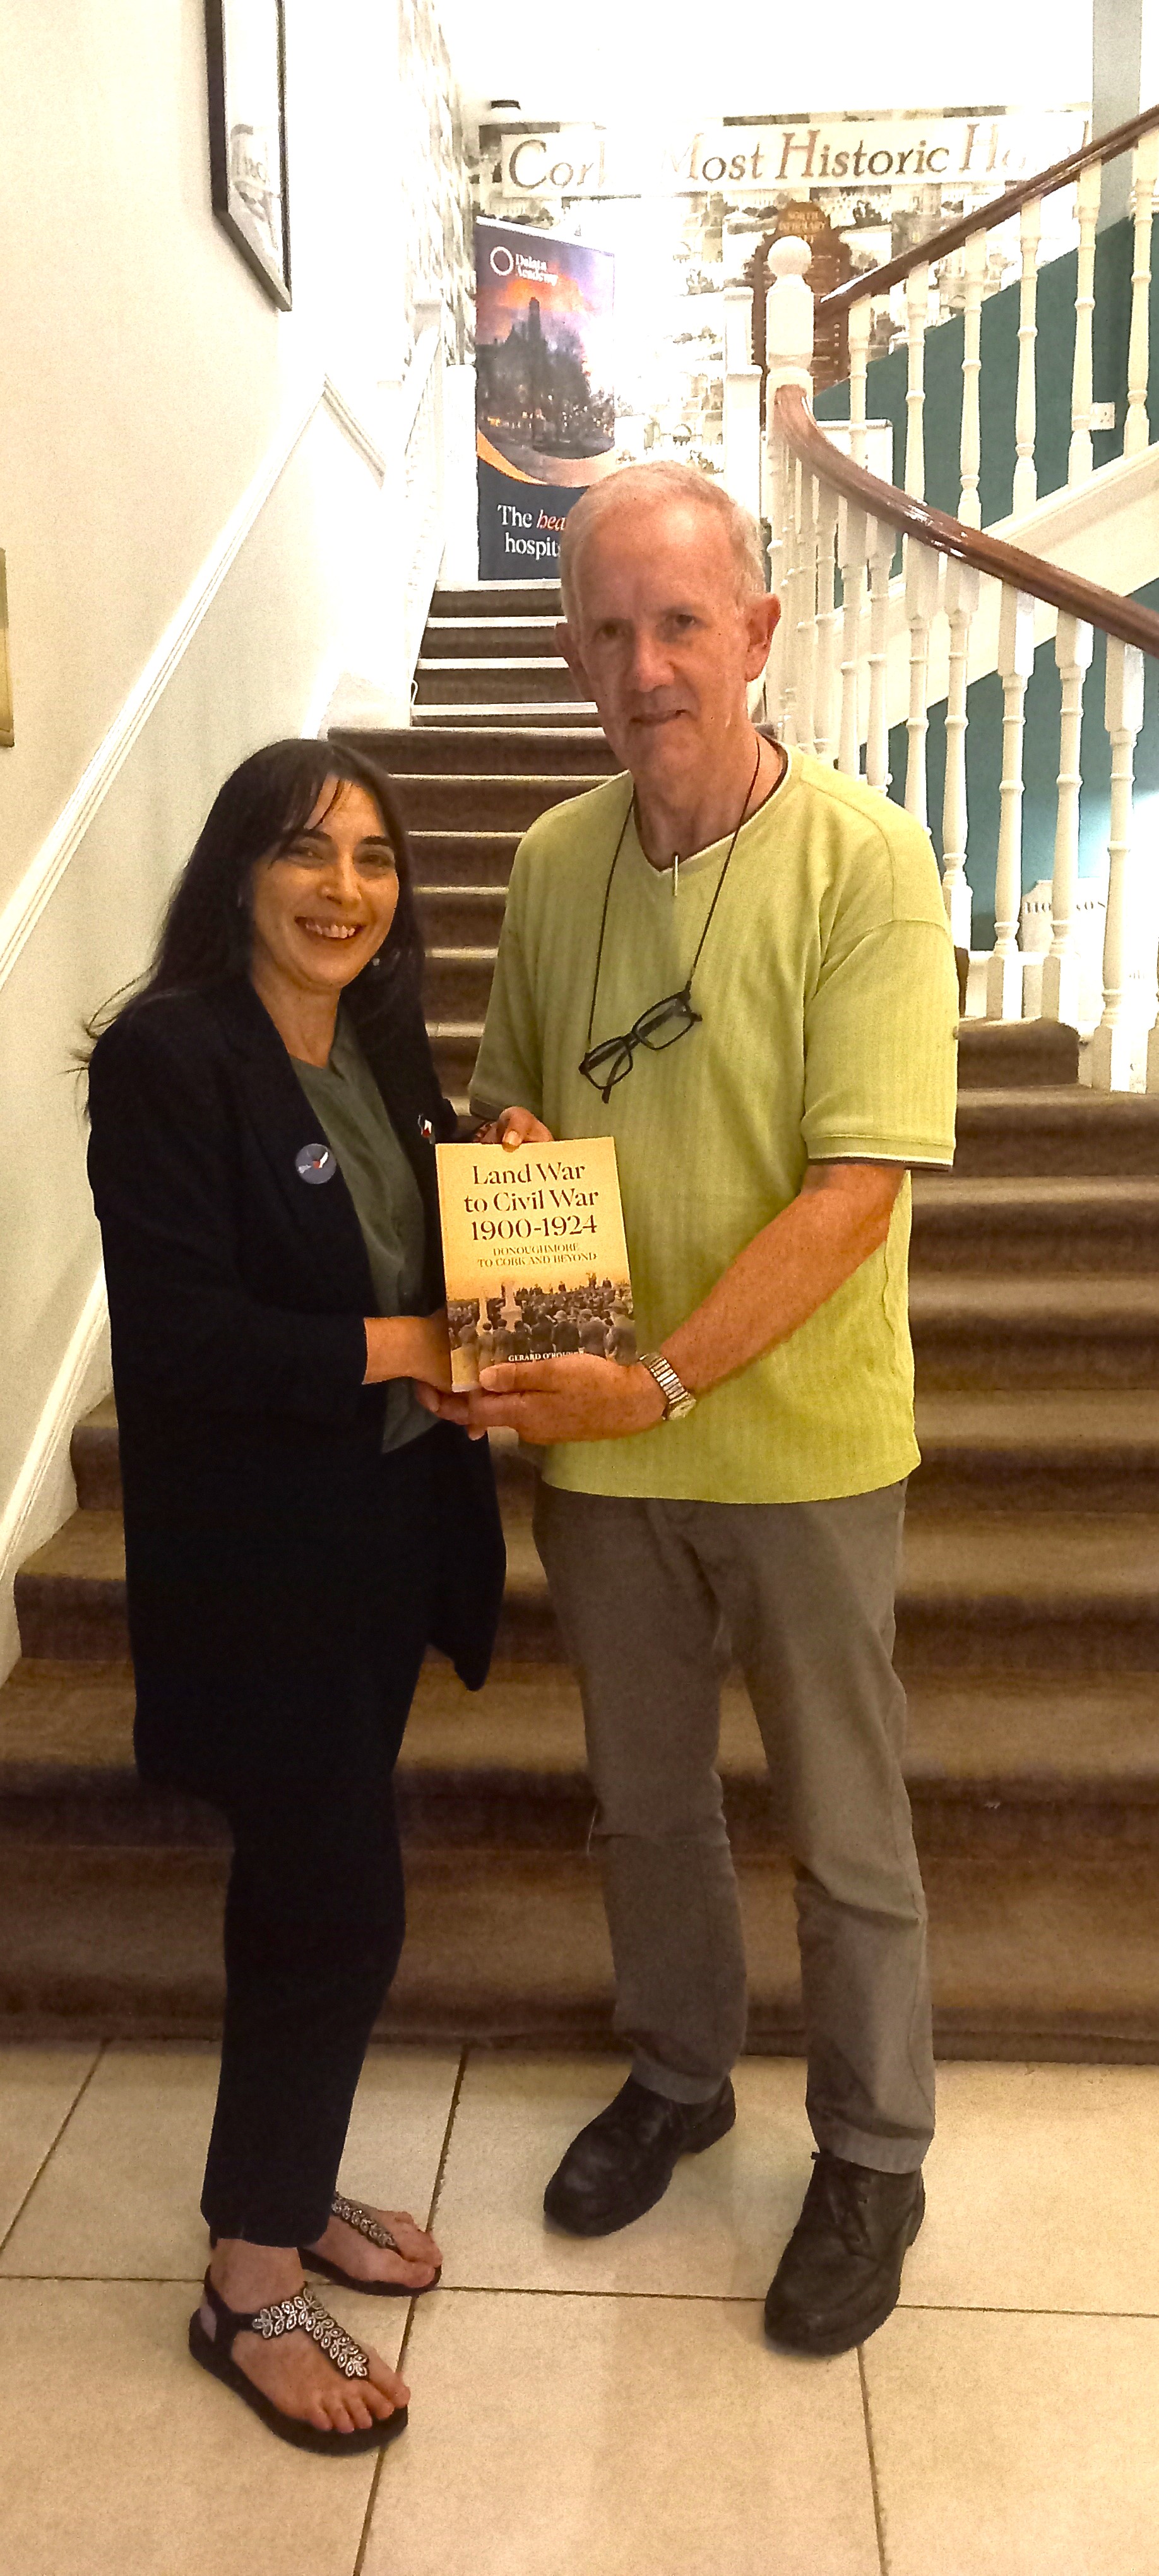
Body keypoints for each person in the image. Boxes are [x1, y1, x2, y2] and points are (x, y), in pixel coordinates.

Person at [436, 459, 959, 2358]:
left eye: (681, 621)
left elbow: (856, 1186)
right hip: (599, 1447)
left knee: (844, 1824)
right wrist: (512, 1174)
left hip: (798, 1448)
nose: (646, 662)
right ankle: (676, 2075)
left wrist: (659, 1374)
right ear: (574, 654)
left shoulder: (865, 859)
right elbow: (507, 1092)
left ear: (752, 632)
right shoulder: (555, 860)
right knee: (642, 1808)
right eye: (608, 626)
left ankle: (873, 2148)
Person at [86, 739, 504, 2452]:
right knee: (329, 1906)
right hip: (262, 1562)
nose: (346, 889)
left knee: (330, 1883)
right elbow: (181, 1337)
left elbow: (403, 1231)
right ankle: (251, 2276)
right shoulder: (170, 1052)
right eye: (306, 853)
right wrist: (415, 1341)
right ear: (237, 870)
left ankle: (295, 2183)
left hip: (388, 1531)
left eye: (375, 859)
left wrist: (498, 1164)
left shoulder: (383, 1042)